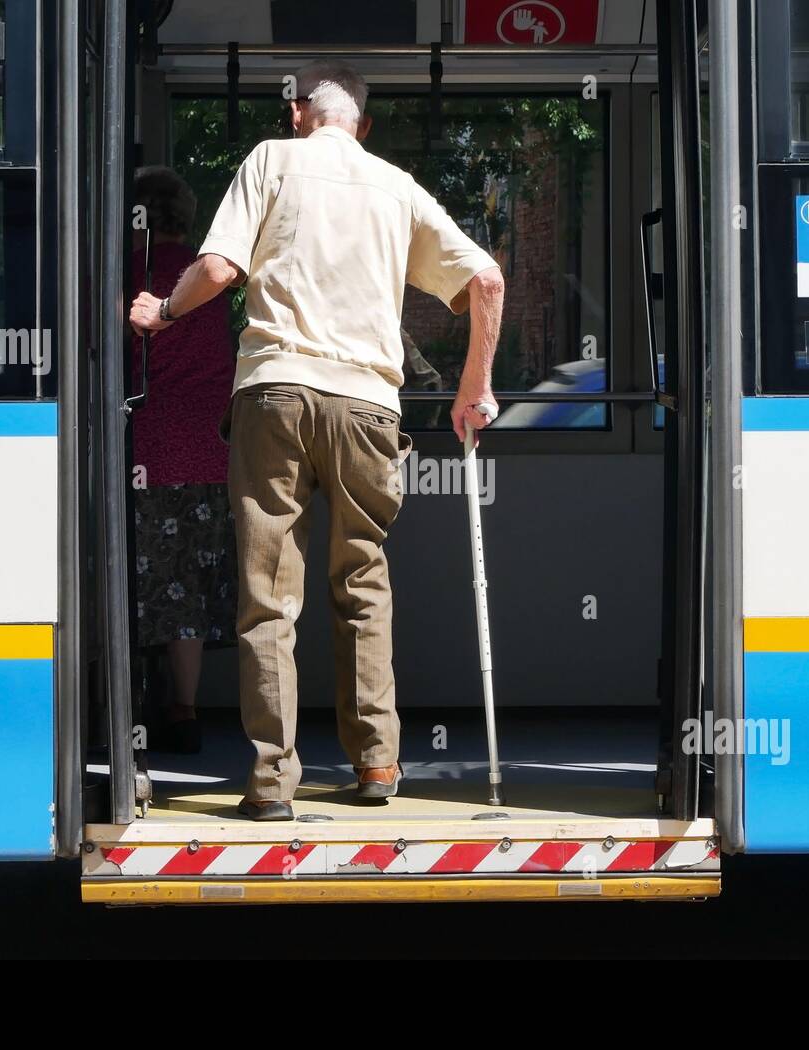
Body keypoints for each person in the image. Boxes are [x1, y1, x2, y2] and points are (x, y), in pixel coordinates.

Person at [130, 61, 505, 820]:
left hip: (276, 391)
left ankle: (272, 781)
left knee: (270, 595)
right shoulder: (396, 187)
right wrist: (475, 391)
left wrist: (162, 313)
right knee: (362, 581)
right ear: (360, 125)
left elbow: (218, 267)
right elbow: (487, 282)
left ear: (300, 114)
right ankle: (377, 765)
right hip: (368, 404)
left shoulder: (271, 160)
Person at [129, 166, 238, 754]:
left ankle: (131, 706)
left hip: (145, 445)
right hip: (207, 449)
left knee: (141, 579)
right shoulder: (208, 273)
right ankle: (184, 709)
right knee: (190, 587)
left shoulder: (129, 273)